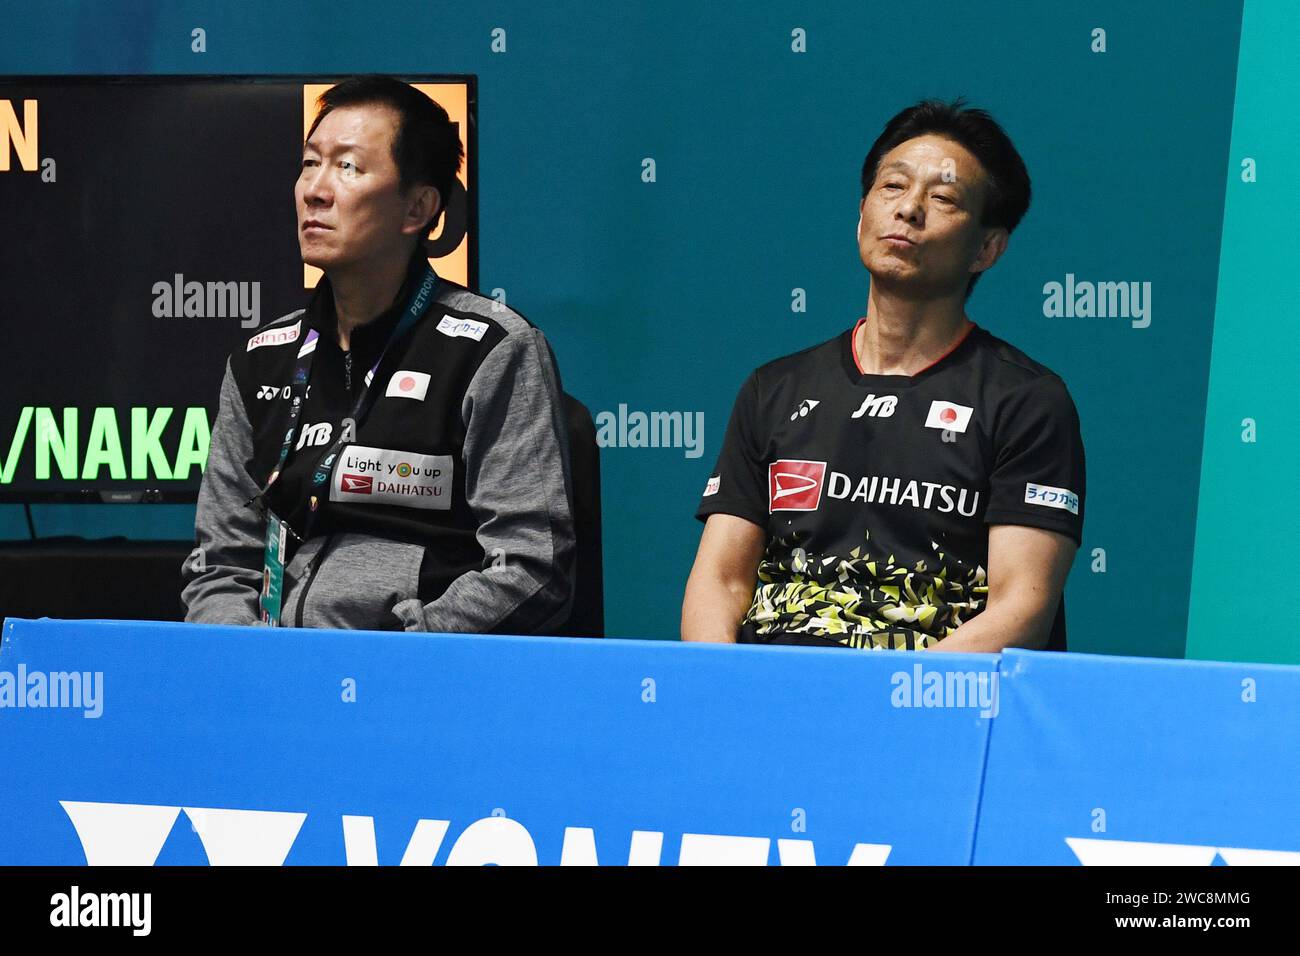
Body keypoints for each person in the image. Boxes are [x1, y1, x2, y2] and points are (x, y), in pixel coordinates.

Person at [682, 99, 1084, 652]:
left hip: (928, 710)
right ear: (862, 213)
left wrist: (892, 708)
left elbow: (1021, 608)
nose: (909, 210)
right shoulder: (774, 390)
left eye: (942, 198)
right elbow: (721, 581)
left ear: (987, 248)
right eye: (892, 187)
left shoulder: (1026, 401)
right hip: (773, 699)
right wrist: (729, 691)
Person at [181, 75, 576, 633]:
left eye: (348, 167)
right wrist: (247, 665)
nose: (315, 190)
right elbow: (222, 562)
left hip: (417, 684)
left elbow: (532, 567)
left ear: (417, 208)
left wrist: (397, 661)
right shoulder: (259, 360)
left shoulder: (491, 349)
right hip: (273, 680)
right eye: (309, 163)